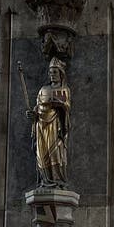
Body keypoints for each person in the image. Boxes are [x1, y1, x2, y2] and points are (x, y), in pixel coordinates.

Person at [28, 58, 71, 187]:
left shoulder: (65, 90)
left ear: (61, 74)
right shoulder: (43, 90)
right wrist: (33, 114)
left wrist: (61, 104)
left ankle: (57, 180)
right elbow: (37, 107)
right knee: (42, 153)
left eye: (55, 72)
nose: (52, 75)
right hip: (41, 125)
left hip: (55, 125)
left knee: (55, 152)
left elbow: (67, 106)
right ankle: (45, 180)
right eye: (51, 72)